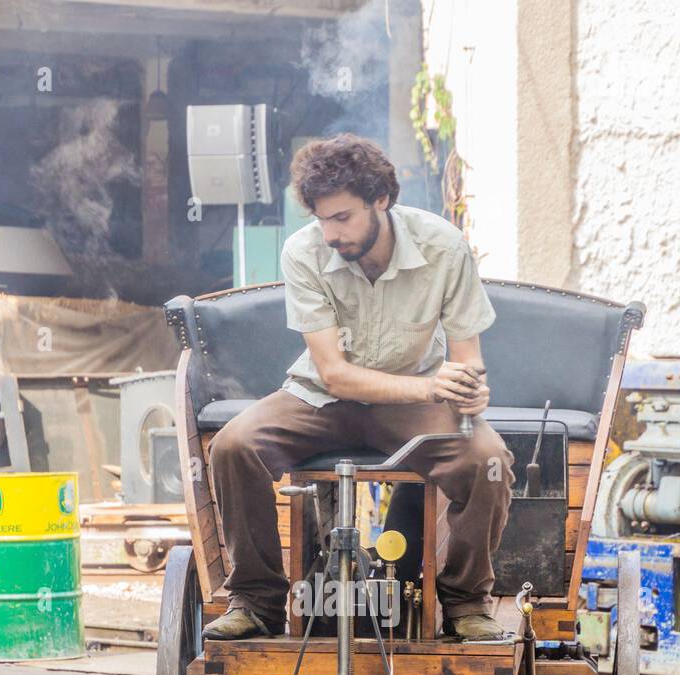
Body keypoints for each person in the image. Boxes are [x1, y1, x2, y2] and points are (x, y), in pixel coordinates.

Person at [203, 133, 515, 641]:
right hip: (323, 398)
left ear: (381, 201)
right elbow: (334, 374)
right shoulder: (303, 252)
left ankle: (465, 602)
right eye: (321, 219)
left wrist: (472, 391)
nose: (329, 233)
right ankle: (256, 602)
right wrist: (433, 389)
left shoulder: (444, 248)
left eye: (342, 217)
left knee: (488, 461)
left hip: (416, 398)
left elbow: (468, 360)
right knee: (234, 446)